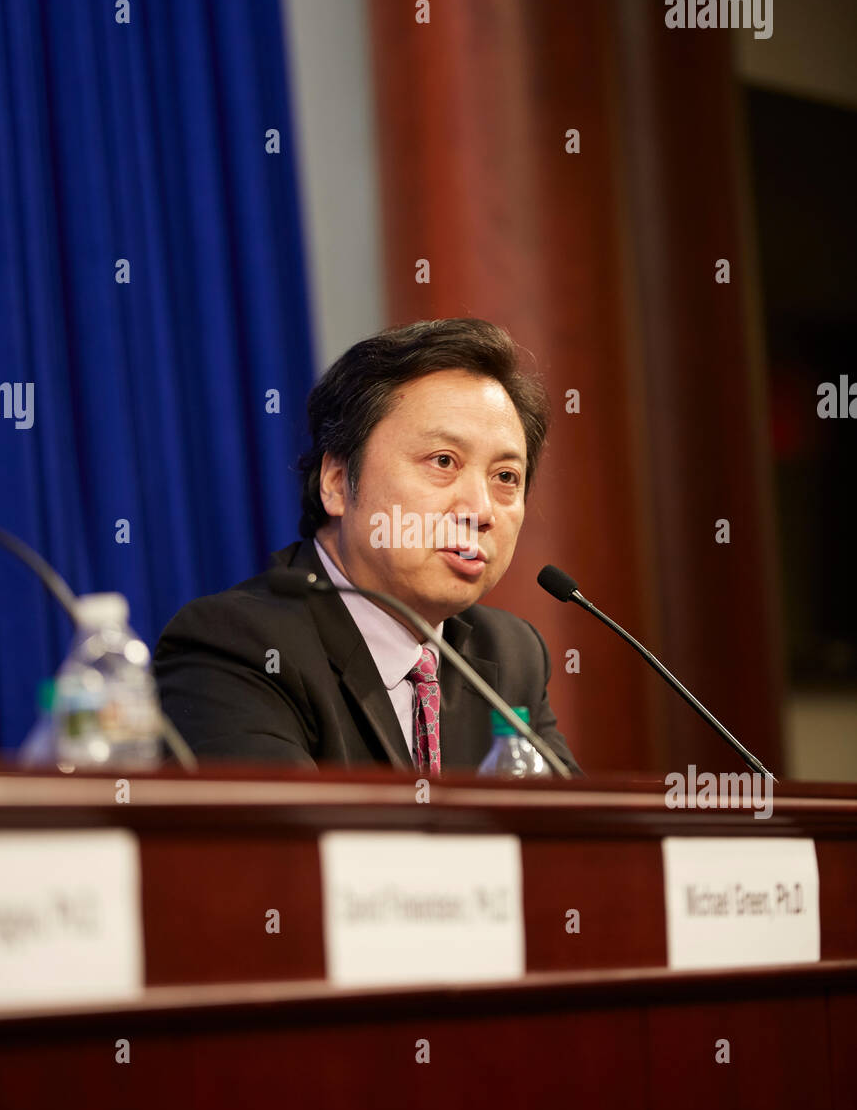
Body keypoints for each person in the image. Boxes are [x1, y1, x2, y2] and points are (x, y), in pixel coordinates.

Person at [153, 318, 581, 775]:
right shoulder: (237, 644)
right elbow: (289, 843)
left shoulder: (513, 654)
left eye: (505, 478)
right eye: (442, 461)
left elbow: (572, 842)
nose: (480, 510)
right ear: (336, 482)